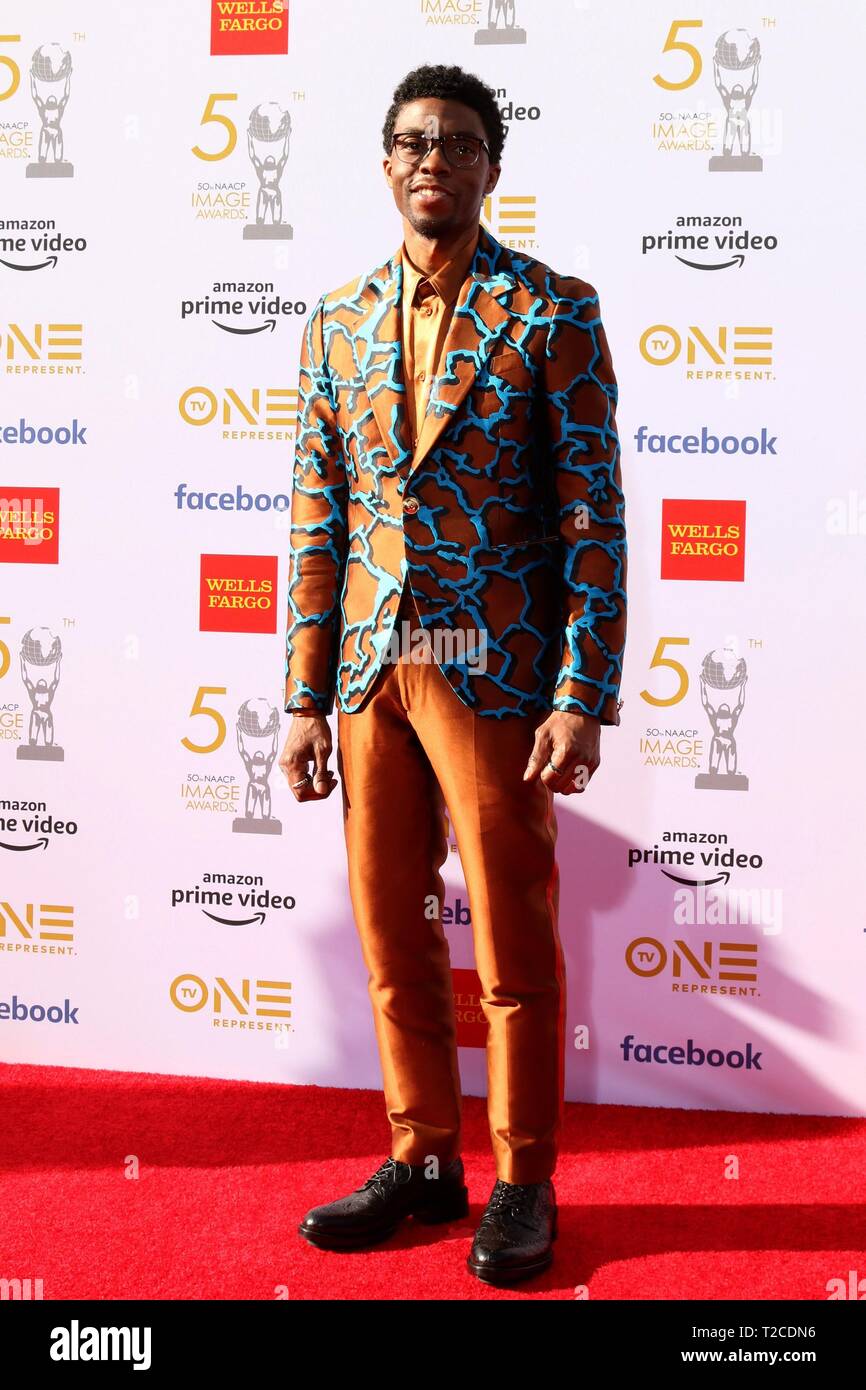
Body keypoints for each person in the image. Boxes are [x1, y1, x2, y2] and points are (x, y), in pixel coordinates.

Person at [280, 62, 626, 1286]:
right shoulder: (333, 320)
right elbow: (316, 517)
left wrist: (582, 691)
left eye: (460, 139)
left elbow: (592, 519)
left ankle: (522, 1181)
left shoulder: (552, 313)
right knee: (392, 933)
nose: (434, 155)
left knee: (513, 948)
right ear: (385, 162)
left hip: (493, 674)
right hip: (371, 671)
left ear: (491, 166)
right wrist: (299, 698)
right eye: (412, 138)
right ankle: (423, 1161)